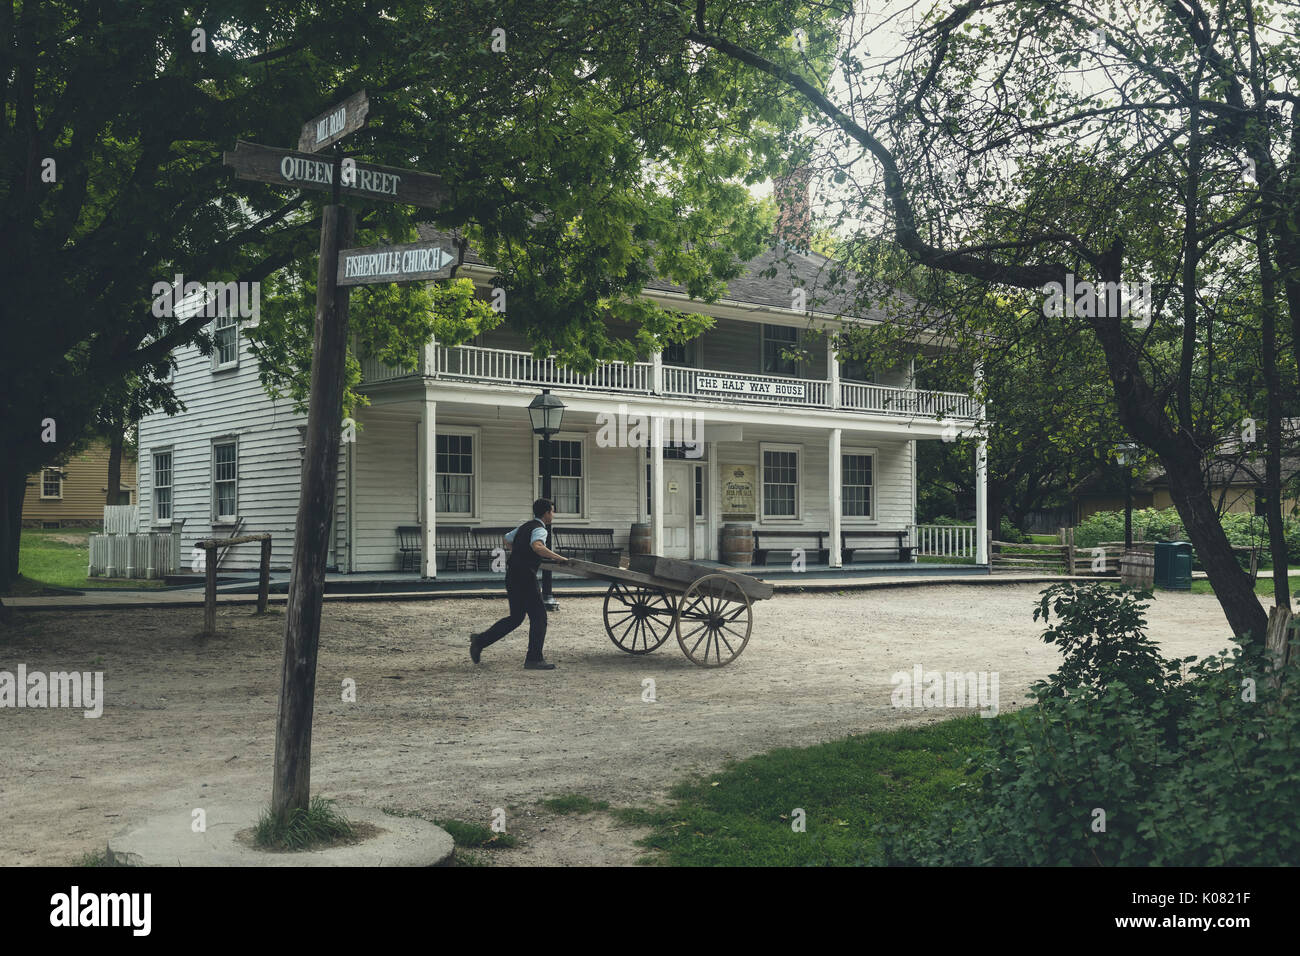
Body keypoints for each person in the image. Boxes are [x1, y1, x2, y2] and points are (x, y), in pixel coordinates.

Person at [469, 498, 568, 669]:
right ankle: (534, 659)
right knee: (539, 617)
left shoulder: (525, 526)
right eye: (552, 511)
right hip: (525, 577)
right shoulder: (540, 529)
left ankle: (480, 641)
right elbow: (537, 546)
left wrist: (518, 552)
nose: (553, 515)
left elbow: (507, 539)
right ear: (546, 513)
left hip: (512, 574)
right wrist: (560, 558)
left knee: (516, 617)